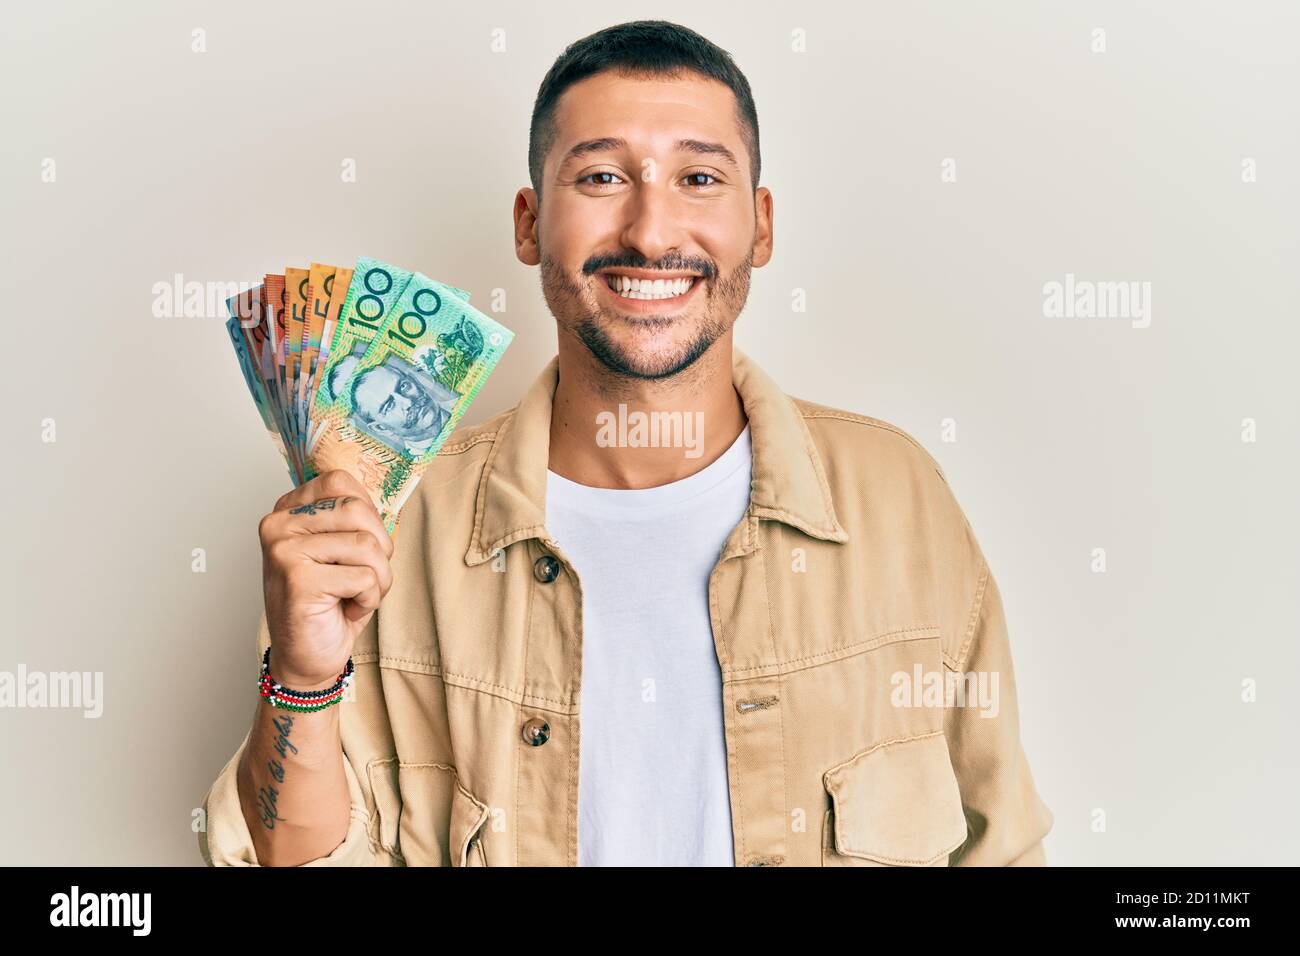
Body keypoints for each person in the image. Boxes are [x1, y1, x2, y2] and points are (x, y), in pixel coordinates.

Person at [199, 19, 1053, 867]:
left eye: (698, 177)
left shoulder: (898, 498)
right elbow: (293, 862)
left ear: (760, 225)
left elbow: (1002, 845)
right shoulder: (389, 527)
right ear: (529, 225)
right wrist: (303, 680)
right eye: (603, 176)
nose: (651, 232)